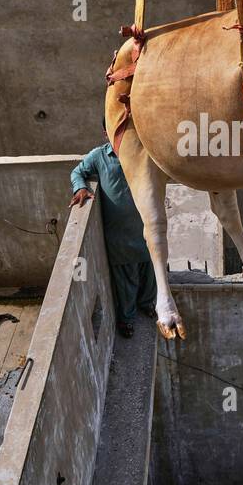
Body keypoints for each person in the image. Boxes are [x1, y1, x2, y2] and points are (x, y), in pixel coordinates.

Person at [69, 125, 157, 338]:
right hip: (120, 235)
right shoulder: (99, 156)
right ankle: (127, 319)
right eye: (114, 131)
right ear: (105, 133)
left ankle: (147, 304)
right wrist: (80, 188)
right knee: (126, 280)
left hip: (145, 226)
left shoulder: (142, 150)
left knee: (149, 270)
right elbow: (78, 172)